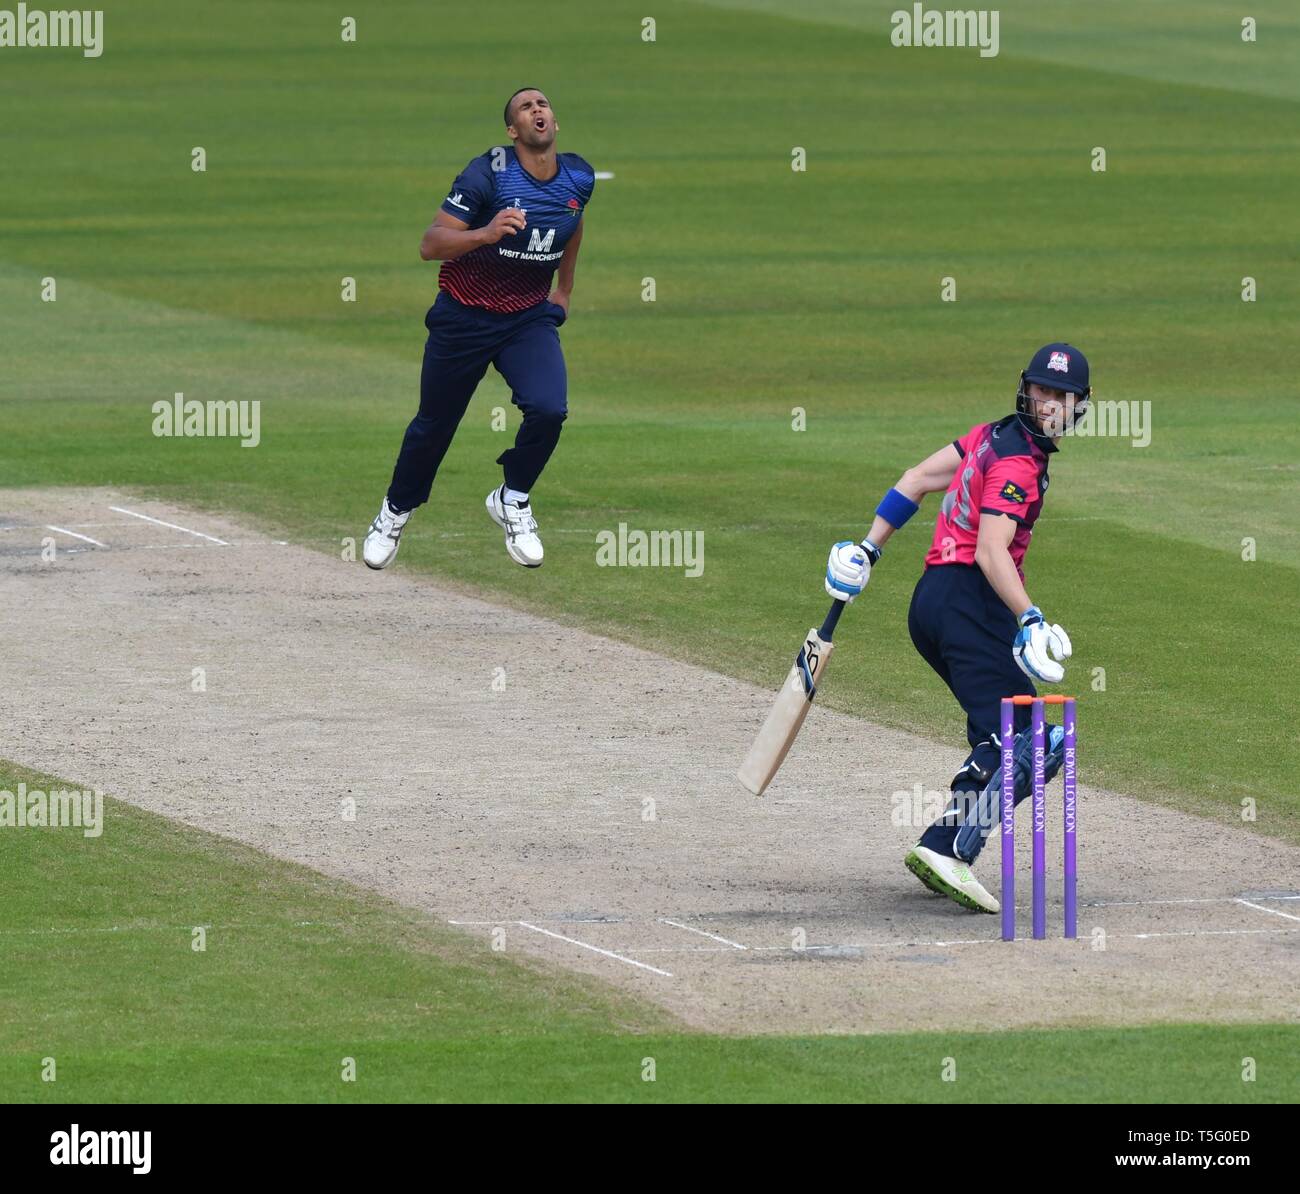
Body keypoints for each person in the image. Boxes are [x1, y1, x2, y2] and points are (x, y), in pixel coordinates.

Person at [825, 344, 1091, 913]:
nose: (1049, 404)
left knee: (1024, 732)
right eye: (1042, 391)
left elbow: (917, 480)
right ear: (1026, 390)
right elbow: (993, 551)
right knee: (1027, 739)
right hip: (967, 601)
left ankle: (951, 837)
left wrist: (870, 548)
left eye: (1060, 396)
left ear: (1078, 408)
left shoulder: (988, 436)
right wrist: (1030, 616)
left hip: (934, 603)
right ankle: (946, 848)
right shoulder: (1018, 463)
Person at [363, 88, 595, 570]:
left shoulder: (579, 175)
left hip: (527, 318)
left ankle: (512, 496)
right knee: (434, 427)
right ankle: (395, 510)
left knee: (549, 410)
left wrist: (565, 290)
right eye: (526, 108)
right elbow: (430, 245)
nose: (537, 110)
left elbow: (573, 225)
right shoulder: (487, 173)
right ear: (513, 131)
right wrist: (486, 233)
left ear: (554, 121)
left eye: (543, 104)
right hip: (463, 316)